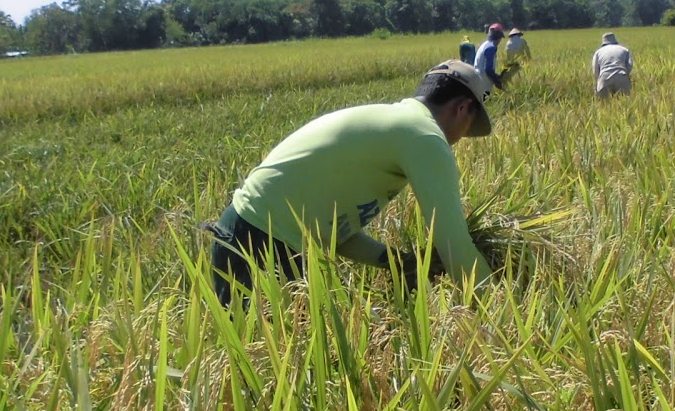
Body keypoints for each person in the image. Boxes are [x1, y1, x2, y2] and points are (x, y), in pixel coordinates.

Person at [210, 60, 497, 305]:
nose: (461, 138)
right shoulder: (424, 137)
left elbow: (334, 230)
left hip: (241, 232)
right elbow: (454, 245)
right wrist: (498, 308)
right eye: (469, 128)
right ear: (462, 108)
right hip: (265, 245)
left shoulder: (391, 123)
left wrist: (397, 261)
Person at [591, 32, 633, 96]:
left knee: (605, 101)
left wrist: (599, 81)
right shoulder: (624, 50)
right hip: (621, 75)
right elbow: (630, 65)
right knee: (624, 100)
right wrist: (625, 75)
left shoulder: (598, 52)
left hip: (604, 77)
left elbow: (595, 70)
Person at [473, 23, 507, 88]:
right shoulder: (491, 48)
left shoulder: (485, 45)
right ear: (498, 37)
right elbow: (488, 69)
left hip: (478, 79)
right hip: (484, 83)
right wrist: (496, 81)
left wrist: (496, 76)